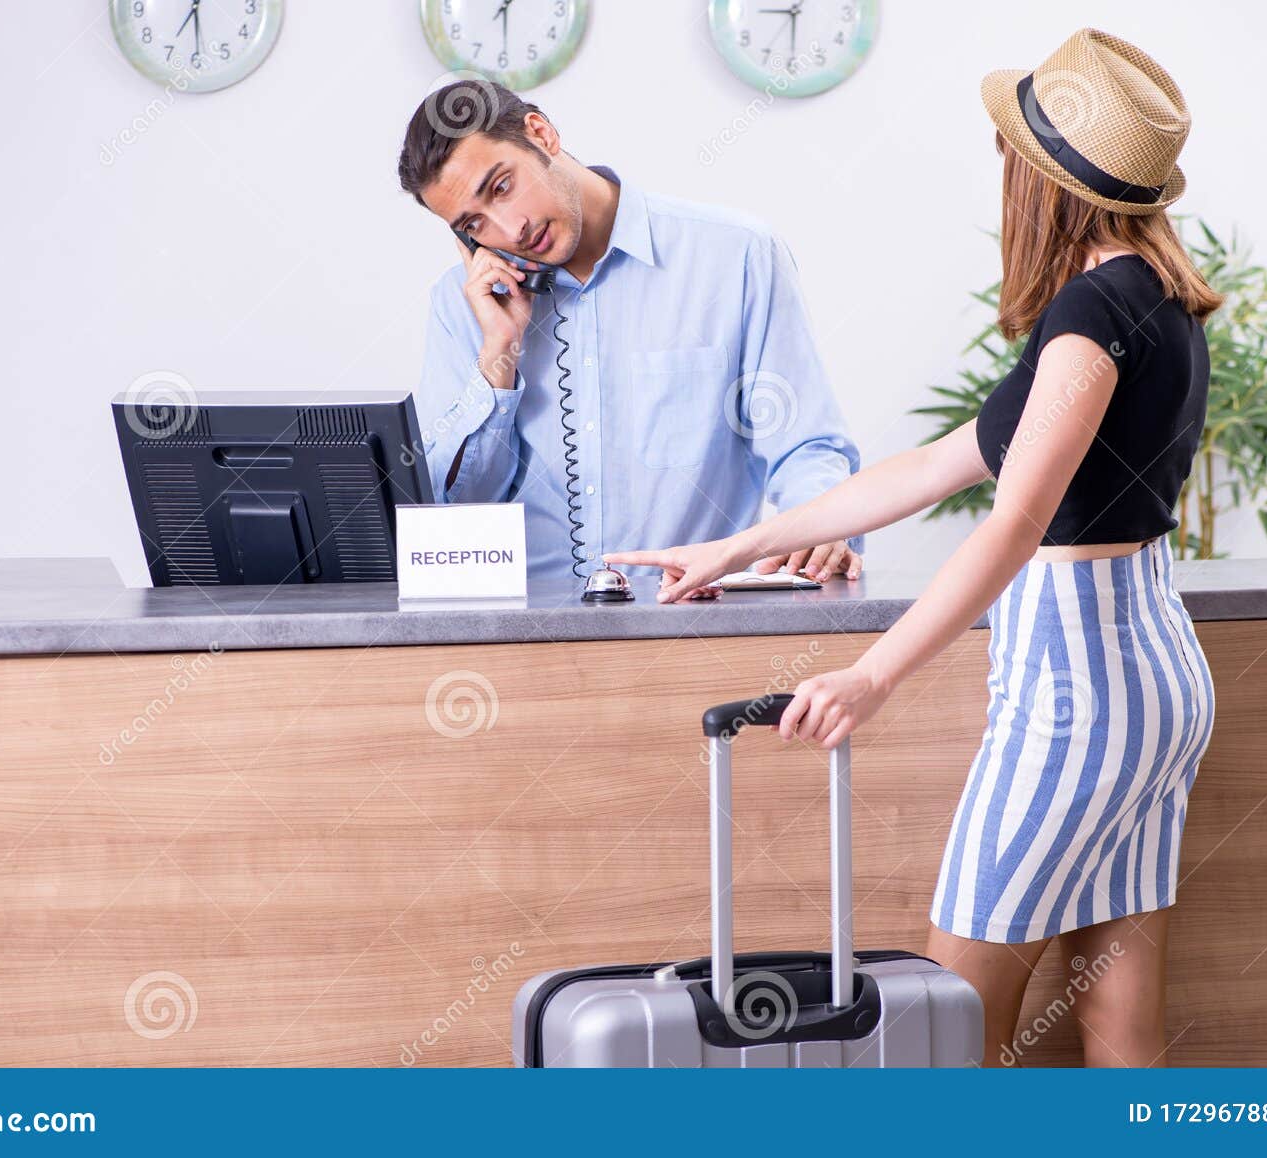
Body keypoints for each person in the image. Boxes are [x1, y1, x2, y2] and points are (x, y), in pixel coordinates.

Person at [606, 28, 1221, 1067]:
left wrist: (872, 674)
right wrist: (739, 543)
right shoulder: (1156, 300)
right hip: (1156, 680)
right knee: (1120, 1030)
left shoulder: (1086, 316)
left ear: (1038, 182)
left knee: (941, 1035)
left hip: (1077, 696)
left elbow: (1016, 522)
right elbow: (937, 464)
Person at [397, 80, 863, 588]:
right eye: (475, 223)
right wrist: (498, 357)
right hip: (522, 644)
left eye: (502, 187)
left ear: (540, 133)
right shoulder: (464, 303)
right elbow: (449, 516)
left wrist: (820, 527)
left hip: (689, 624)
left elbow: (806, 449)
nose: (510, 230)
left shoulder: (735, 256)